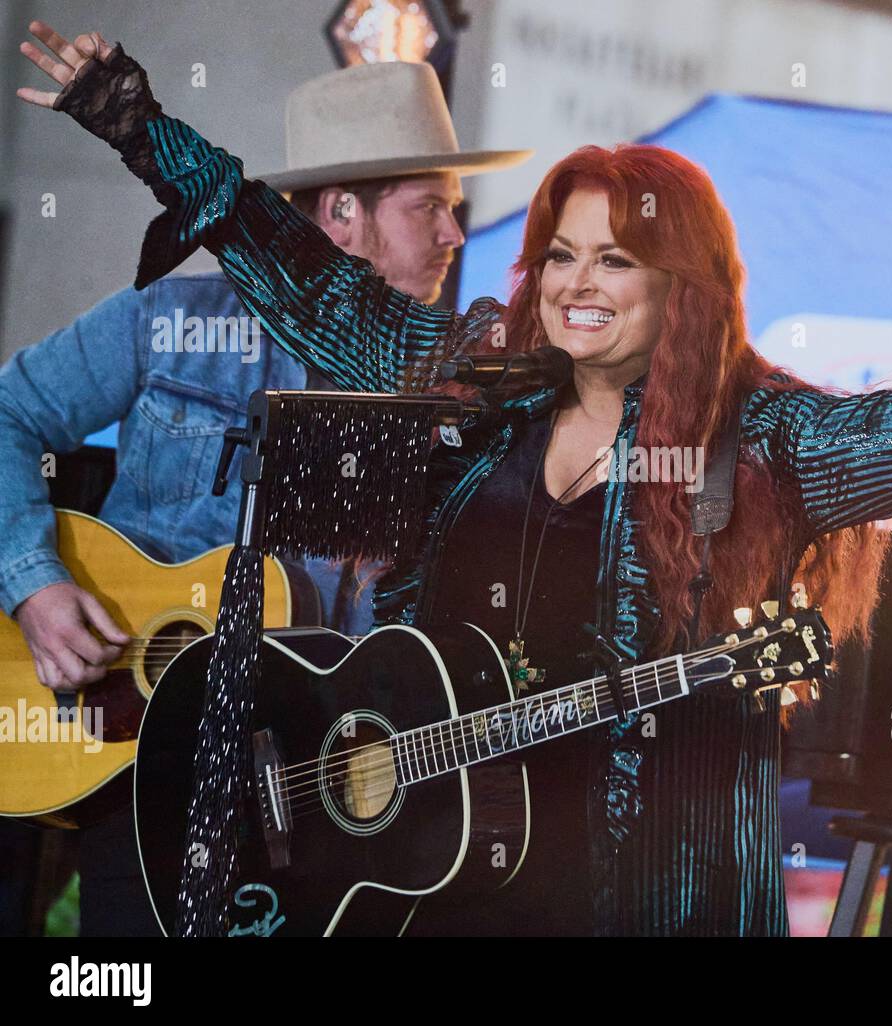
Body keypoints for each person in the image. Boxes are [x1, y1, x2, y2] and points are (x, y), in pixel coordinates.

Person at [18, 24, 892, 937]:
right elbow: (295, 270)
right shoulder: (474, 385)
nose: (571, 282)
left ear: (677, 283)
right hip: (430, 883)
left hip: (639, 890)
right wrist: (138, 124)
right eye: (559, 254)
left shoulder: (766, 438)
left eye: (612, 263)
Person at [2, 26, 530, 936]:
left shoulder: (447, 387)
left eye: (455, 208)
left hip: (319, 804)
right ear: (340, 216)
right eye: (426, 206)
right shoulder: (169, 320)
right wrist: (34, 584)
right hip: (133, 770)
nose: (455, 233)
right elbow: (6, 413)